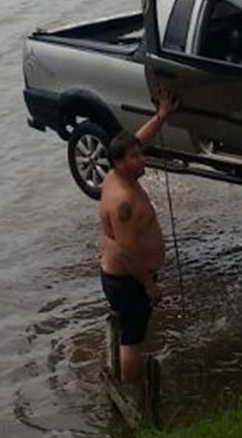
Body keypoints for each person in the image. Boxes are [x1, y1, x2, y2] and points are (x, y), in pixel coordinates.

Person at [99, 87, 177, 383]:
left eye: (140, 154)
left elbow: (138, 139)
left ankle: (127, 380)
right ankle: (132, 392)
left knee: (131, 333)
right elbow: (128, 252)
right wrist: (149, 286)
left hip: (124, 278)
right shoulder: (124, 203)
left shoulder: (116, 174)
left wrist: (161, 116)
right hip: (128, 281)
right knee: (132, 340)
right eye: (135, 157)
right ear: (120, 162)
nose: (142, 159)